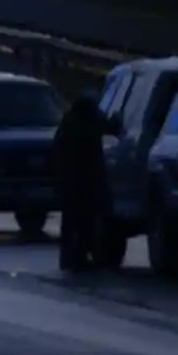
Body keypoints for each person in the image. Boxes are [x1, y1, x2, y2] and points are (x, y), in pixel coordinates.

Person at [53, 93, 108, 271]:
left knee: (72, 221)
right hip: (85, 179)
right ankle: (80, 255)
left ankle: (71, 256)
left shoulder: (69, 123)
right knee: (86, 220)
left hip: (71, 180)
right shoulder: (86, 124)